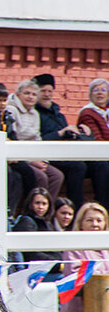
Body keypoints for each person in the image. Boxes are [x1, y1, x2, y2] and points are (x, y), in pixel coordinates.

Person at [34, 72, 101, 211]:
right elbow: (39, 139)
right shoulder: (35, 114)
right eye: (43, 91)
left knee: (99, 164)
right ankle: (75, 209)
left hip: (64, 153)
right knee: (78, 166)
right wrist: (60, 133)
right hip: (49, 156)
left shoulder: (58, 114)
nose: (47, 94)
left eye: (50, 91)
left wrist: (81, 131)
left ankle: (102, 205)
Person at [60, 202, 109, 312]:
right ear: (81, 223)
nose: (95, 224)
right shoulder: (73, 246)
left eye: (99, 220)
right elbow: (78, 274)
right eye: (89, 220)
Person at [5, 80, 63, 200]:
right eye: (27, 93)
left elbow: (37, 138)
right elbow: (16, 137)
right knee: (41, 177)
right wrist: (31, 161)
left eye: (33, 94)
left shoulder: (35, 114)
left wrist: (42, 160)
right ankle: (33, 208)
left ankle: (47, 210)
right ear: (18, 94)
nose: (30, 97)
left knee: (57, 176)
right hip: (20, 157)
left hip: (33, 155)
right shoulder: (11, 110)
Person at [0, 83, 29, 213]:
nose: (2, 104)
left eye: (4, 100)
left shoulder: (7, 116)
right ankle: (2, 207)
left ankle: (17, 211)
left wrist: (13, 151)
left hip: (9, 155)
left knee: (26, 173)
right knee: (6, 173)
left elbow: (13, 136)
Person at [11, 188, 61, 279]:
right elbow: (31, 253)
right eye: (37, 203)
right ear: (30, 204)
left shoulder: (48, 224)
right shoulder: (26, 222)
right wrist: (57, 265)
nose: (41, 207)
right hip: (33, 273)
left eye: (44, 204)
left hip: (50, 268)